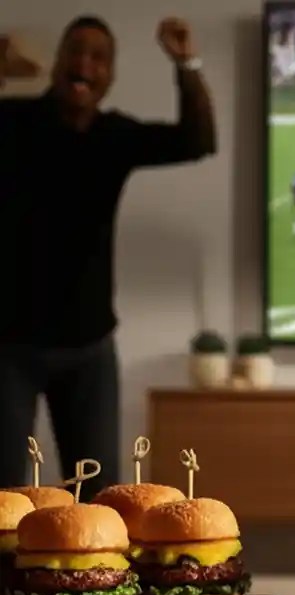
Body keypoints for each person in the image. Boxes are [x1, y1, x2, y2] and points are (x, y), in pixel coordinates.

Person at [0, 16, 216, 500]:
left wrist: (187, 64)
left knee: (100, 497)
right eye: (75, 51)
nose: (84, 62)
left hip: (88, 348)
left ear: (108, 78)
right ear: (57, 64)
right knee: (4, 499)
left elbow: (198, 141)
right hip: (9, 346)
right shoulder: (12, 124)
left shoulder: (113, 137)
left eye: (98, 57)